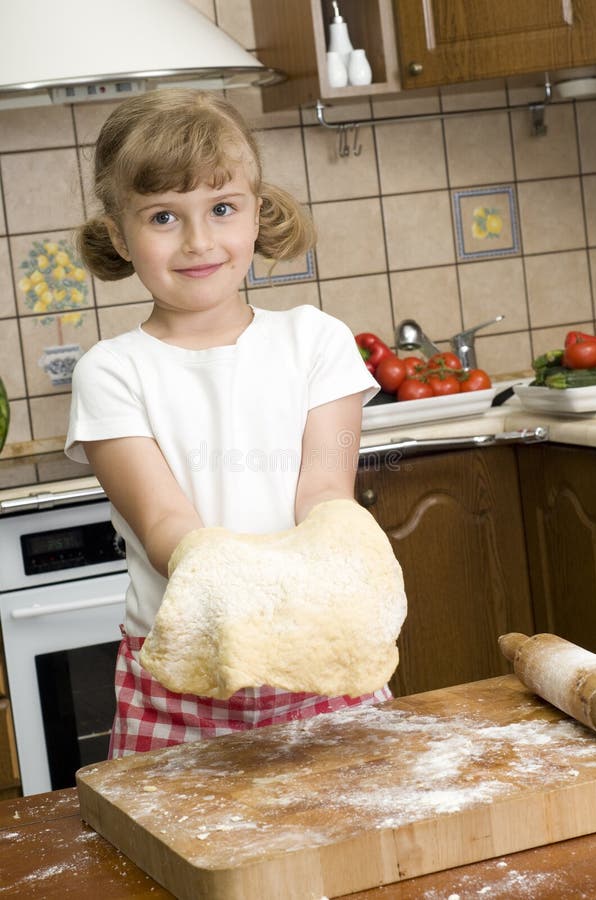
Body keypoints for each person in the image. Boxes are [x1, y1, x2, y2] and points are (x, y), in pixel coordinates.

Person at [65, 88, 389, 758]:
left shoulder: (317, 343)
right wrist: (244, 618)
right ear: (120, 235)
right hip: (183, 680)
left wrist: (356, 569)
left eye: (221, 208)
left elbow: (325, 493)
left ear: (256, 214)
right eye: (163, 217)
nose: (198, 241)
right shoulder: (112, 372)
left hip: (320, 658)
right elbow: (164, 525)